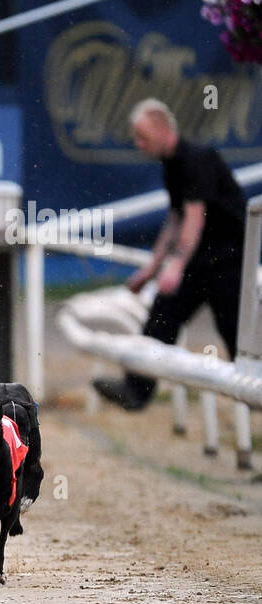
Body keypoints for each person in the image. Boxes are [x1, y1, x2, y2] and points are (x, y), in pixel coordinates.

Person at [93, 99, 248, 411]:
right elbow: (175, 218)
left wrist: (174, 265)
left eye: (142, 137)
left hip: (227, 262)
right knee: (160, 319)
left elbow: (194, 218)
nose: (138, 144)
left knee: (236, 334)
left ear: (163, 129)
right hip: (198, 260)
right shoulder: (172, 165)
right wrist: (151, 269)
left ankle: (254, 390)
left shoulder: (197, 159)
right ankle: (136, 391)